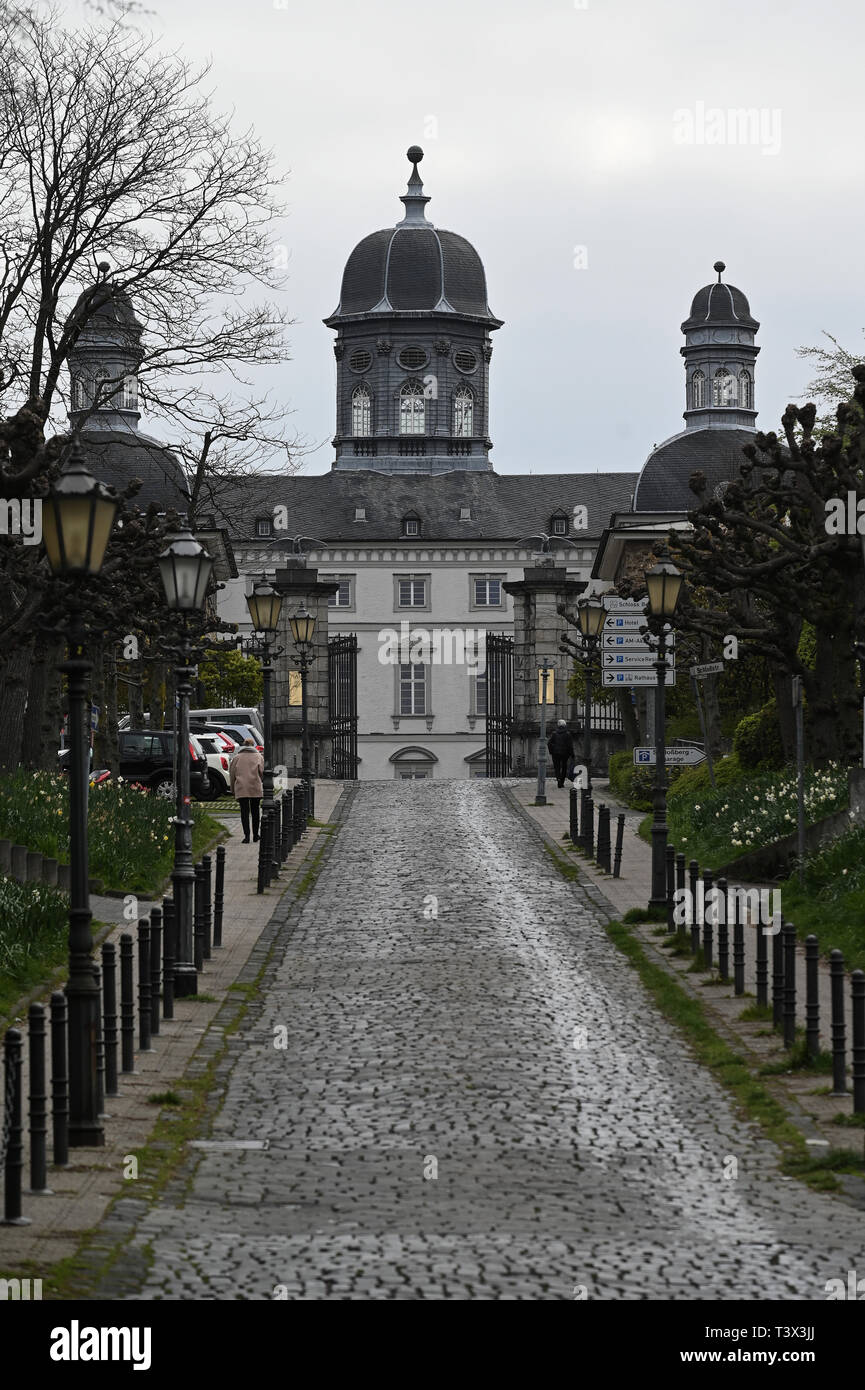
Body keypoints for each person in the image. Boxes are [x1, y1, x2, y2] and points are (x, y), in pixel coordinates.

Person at [229, 737, 264, 843]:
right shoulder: (259, 756)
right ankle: (256, 835)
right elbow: (262, 773)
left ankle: (247, 836)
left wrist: (232, 789)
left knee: (244, 812)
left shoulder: (237, 757)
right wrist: (259, 781)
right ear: (253, 745)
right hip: (255, 786)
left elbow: (232, 774)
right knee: (255, 812)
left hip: (241, 787)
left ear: (244, 745)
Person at [547, 719, 576, 789]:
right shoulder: (568, 734)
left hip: (555, 753)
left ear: (558, 725)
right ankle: (562, 782)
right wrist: (572, 755)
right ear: (565, 725)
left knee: (557, 767)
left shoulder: (554, 734)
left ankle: (558, 779)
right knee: (564, 767)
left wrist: (551, 751)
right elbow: (570, 746)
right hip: (565, 754)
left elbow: (549, 743)